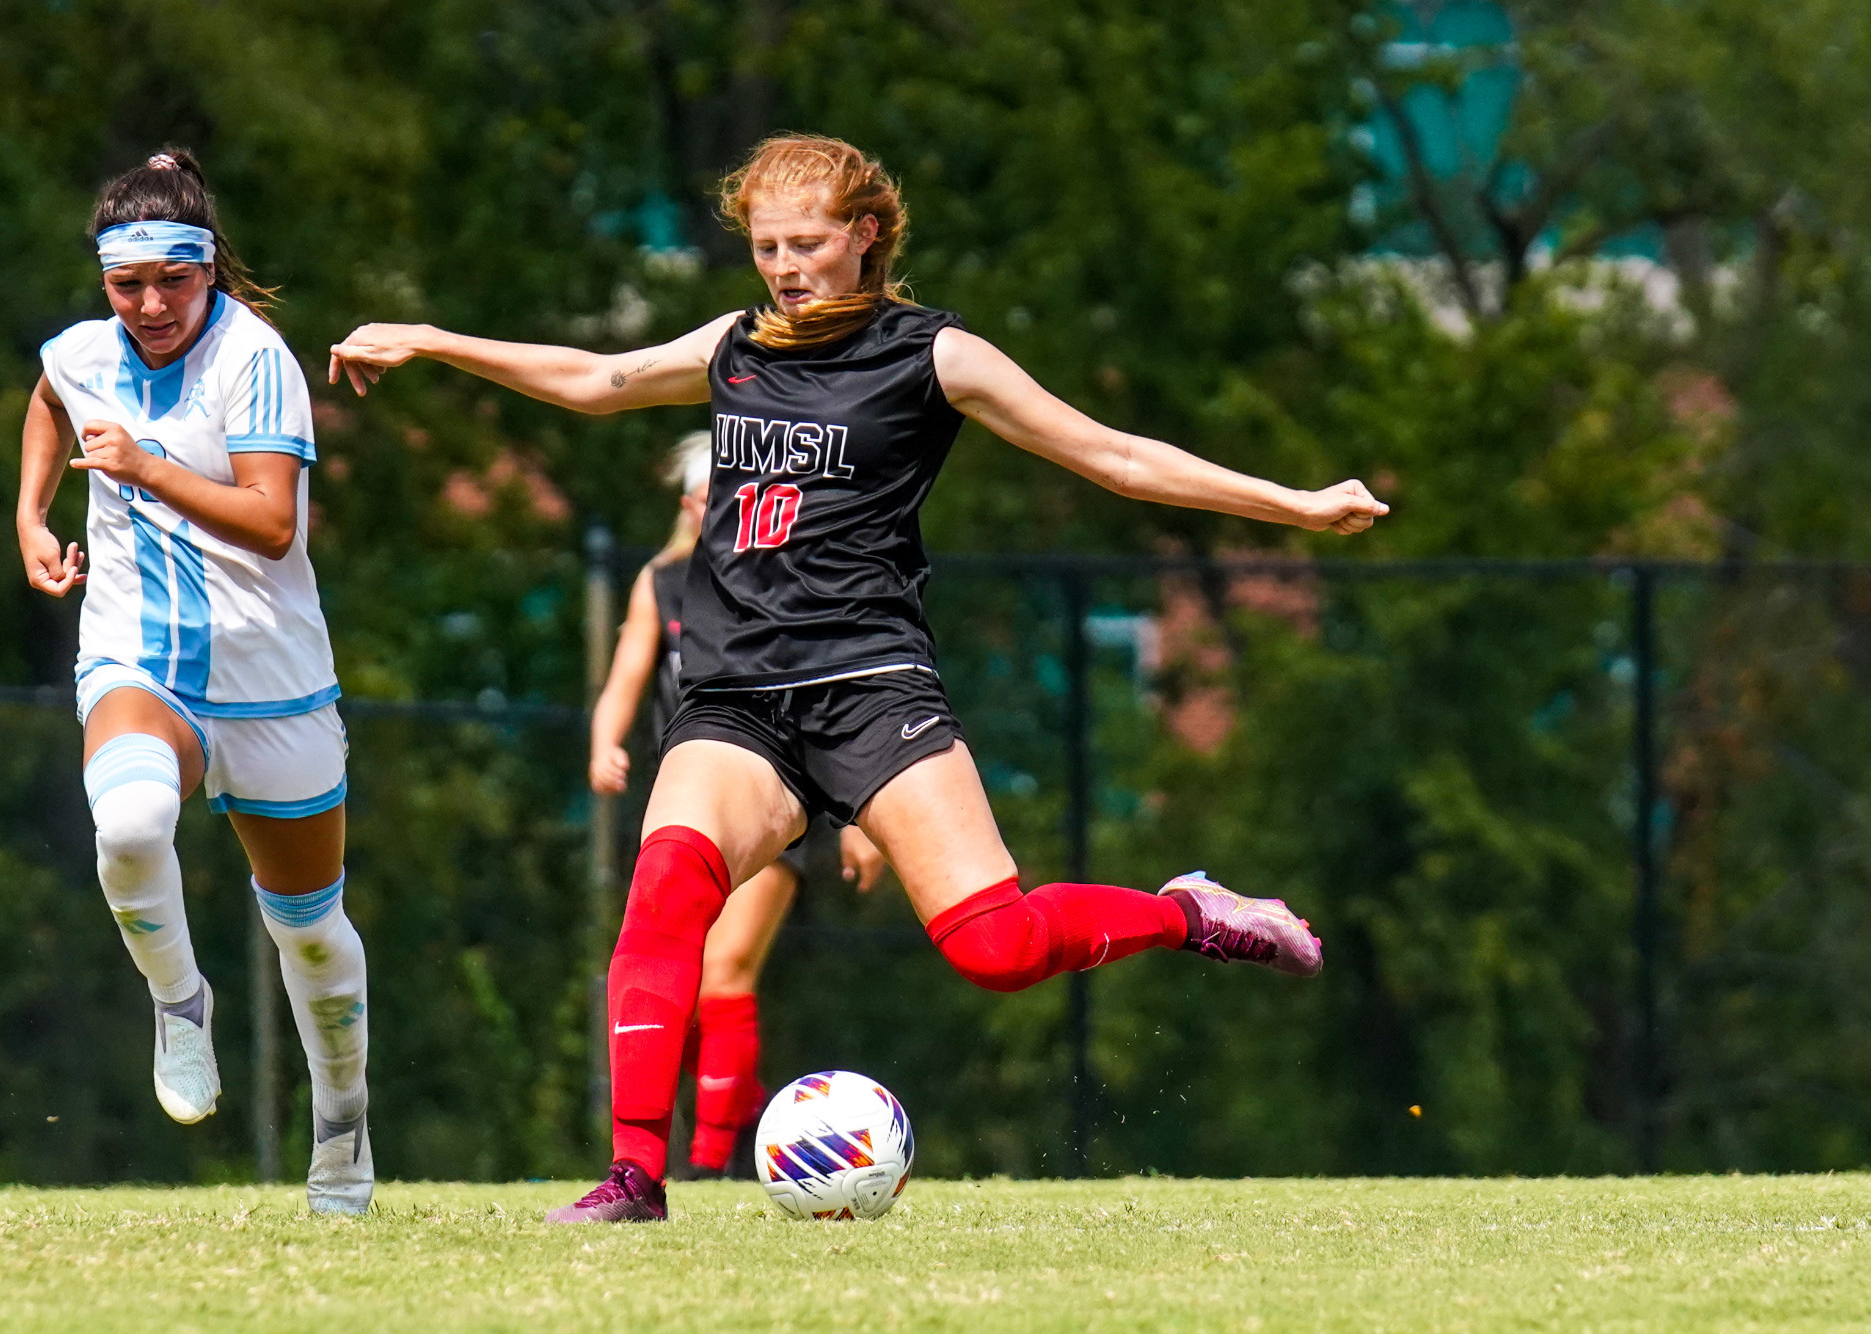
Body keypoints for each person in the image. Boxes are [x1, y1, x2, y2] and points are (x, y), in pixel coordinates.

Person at [330, 133, 1387, 1223]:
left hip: (872, 684)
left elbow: (1112, 455)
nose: (782, 266)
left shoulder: (933, 355)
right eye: (765, 246)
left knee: (997, 945)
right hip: (735, 695)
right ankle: (635, 1176)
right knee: (664, 891)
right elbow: (598, 380)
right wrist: (432, 338)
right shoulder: (735, 344)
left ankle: (1189, 913)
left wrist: (1294, 505)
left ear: (865, 235)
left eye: (805, 243)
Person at [17, 150, 374, 1215]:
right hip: (137, 659)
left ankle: (342, 1132)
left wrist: (149, 468)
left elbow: (272, 524)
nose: (152, 304)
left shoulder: (255, 358)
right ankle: (180, 1002)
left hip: (277, 686)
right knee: (126, 825)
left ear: (207, 268)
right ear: (105, 283)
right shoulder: (86, 352)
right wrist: (31, 516)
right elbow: (49, 394)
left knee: (309, 926)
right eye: (128, 286)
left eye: (172, 281)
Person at [590, 430, 890, 1178]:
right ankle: (749, 1108)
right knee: (678, 988)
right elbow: (625, 678)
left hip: (772, 799)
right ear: (694, 505)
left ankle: (708, 1164)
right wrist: (605, 742)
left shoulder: (783, 580)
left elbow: (839, 697)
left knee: (723, 970)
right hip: (691, 801)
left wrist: (861, 815)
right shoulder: (661, 583)